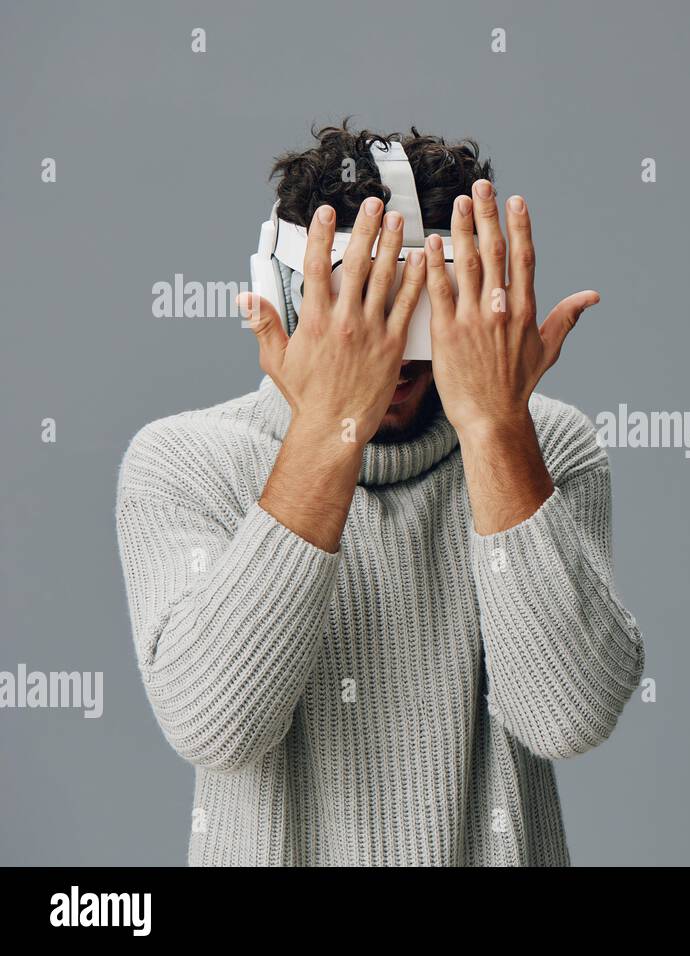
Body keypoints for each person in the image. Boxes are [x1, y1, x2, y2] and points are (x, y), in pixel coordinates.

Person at [115, 122, 645, 865]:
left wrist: (496, 427)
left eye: (423, 305)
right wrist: (331, 427)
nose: (392, 346)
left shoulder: (547, 446)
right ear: (288, 297)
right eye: (357, 301)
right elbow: (216, 725)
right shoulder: (186, 461)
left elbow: (568, 716)